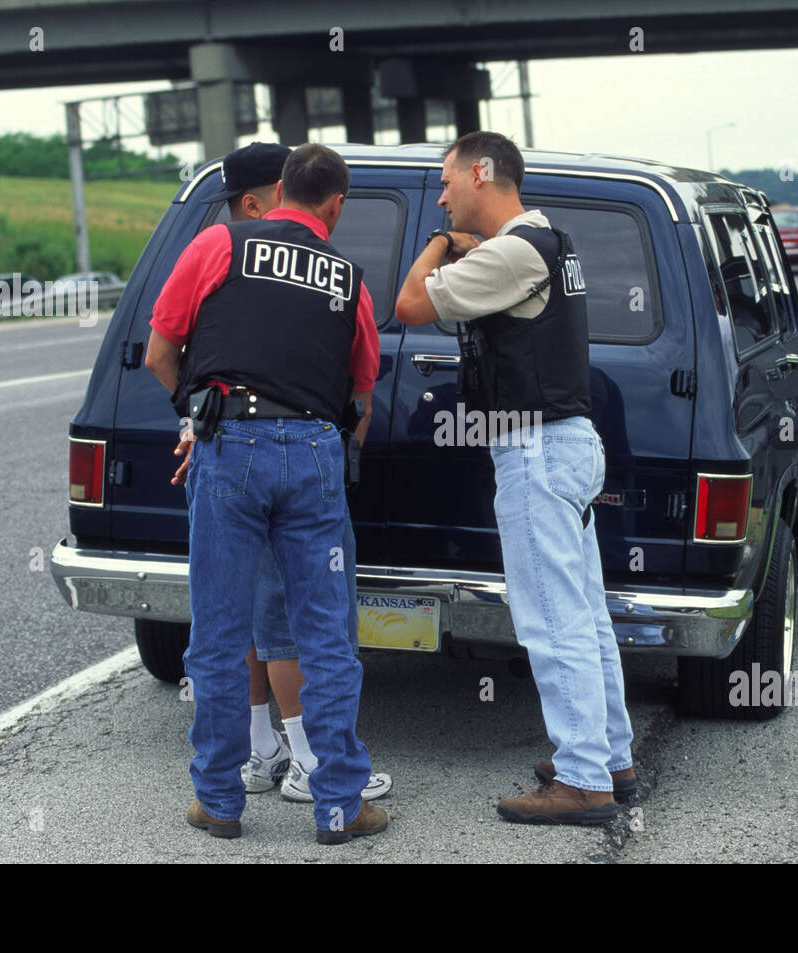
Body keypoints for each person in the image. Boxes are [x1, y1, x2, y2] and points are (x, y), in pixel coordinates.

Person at [145, 142, 387, 844]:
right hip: (314, 451)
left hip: (230, 448)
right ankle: (340, 803)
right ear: (334, 205)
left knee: (219, 634)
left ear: (277, 192)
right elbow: (361, 398)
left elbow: (162, 352)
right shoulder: (349, 278)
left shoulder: (219, 243)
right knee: (327, 638)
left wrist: (199, 418)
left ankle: (219, 802)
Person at [394, 131, 635, 825]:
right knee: (584, 615)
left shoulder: (509, 251)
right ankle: (609, 756)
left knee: (551, 620)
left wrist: (442, 244)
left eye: (445, 183)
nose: (440, 197)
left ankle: (584, 780)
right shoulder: (549, 242)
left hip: (534, 449)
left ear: (481, 173)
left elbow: (409, 304)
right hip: (566, 440)